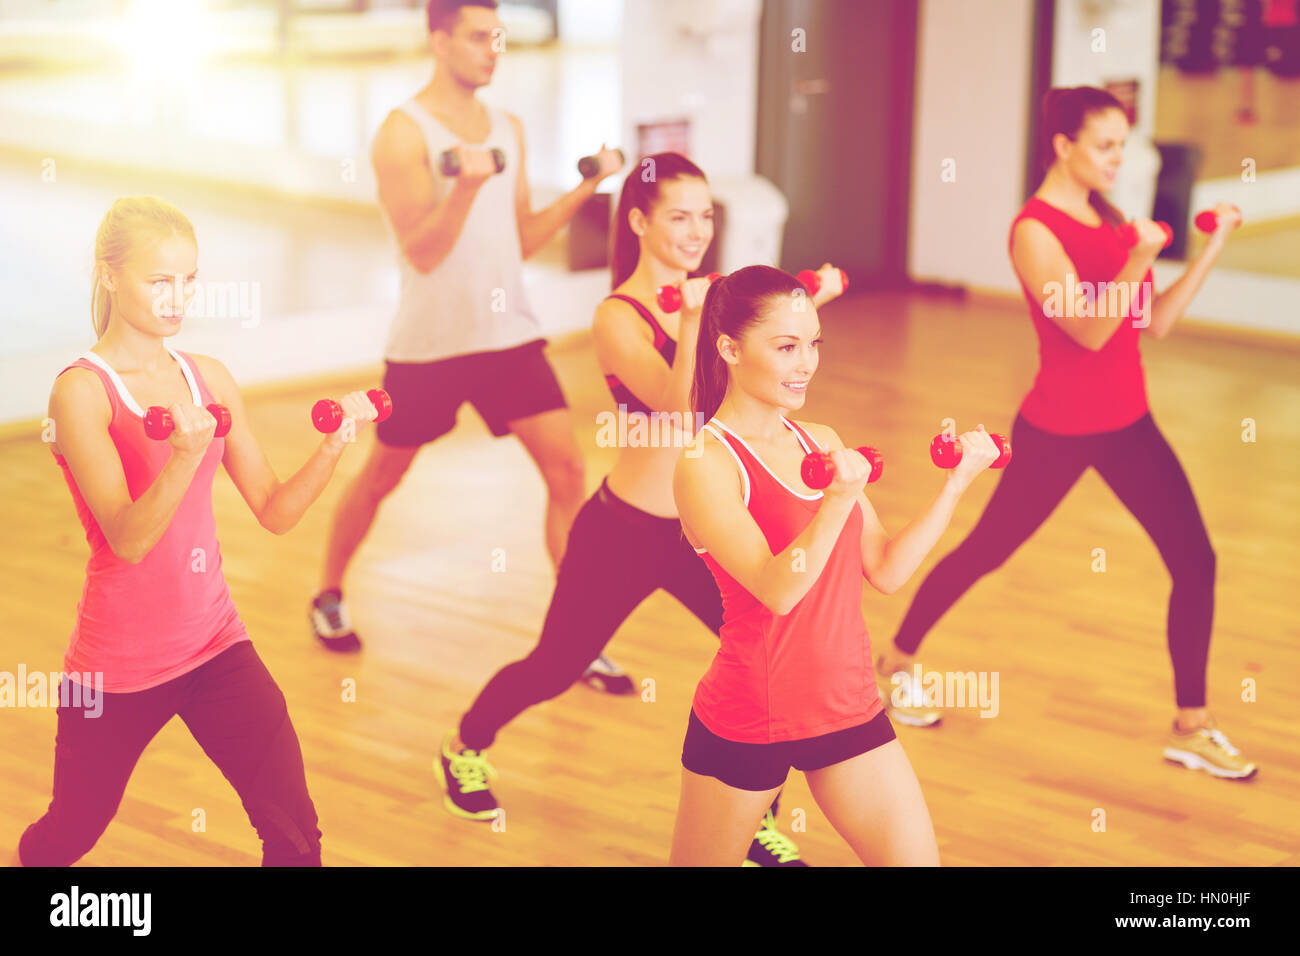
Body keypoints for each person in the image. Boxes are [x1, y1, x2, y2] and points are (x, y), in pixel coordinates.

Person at [438, 154, 847, 865]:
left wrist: (812, 295)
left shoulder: (714, 299)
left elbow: (764, 345)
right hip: (625, 530)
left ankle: (757, 820)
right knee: (557, 663)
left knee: (765, 661)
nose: (696, 232)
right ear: (638, 222)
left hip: (708, 528)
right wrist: (693, 319)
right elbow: (679, 408)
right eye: (679, 217)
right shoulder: (617, 316)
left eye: (706, 217)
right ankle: (464, 745)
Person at [877, 86, 1256, 780]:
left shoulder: (1108, 216)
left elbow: (1156, 323)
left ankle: (1191, 729)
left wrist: (1211, 246)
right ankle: (894, 664)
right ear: (1063, 145)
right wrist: (1138, 257)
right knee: (987, 550)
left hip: (1128, 422)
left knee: (1196, 560)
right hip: (1058, 426)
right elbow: (1085, 329)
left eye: (1122, 144)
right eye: (1105, 145)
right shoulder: (1035, 231)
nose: (1118, 158)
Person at [17, 196, 379, 866]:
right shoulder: (82, 393)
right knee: (69, 835)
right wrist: (185, 457)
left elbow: (273, 509)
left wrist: (333, 447)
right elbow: (127, 538)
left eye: (189, 280)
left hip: (216, 647)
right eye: (160, 281)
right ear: (109, 274)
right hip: (116, 671)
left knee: (296, 838)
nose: (178, 298)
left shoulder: (206, 377)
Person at [309, 0, 628, 693]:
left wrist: (586, 187)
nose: (493, 51)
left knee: (568, 472)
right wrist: (465, 188)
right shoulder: (402, 134)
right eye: (480, 38)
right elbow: (421, 253)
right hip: (430, 348)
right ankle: (329, 592)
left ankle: (575, 639)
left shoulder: (506, 127)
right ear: (440, 39)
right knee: (383, 477)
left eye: (499, 39)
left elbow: (522, 239)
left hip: (507, 335)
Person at [670, 264, 1001, 866]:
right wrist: (838, 501)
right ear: (729, 349)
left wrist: (956, 485)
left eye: (814, 343)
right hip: (752, 712)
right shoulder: (705, 463)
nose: (806, 363)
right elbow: (779, 590)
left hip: (846, 702)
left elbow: (886, 569)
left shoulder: (818, 438)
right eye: (787, 346)